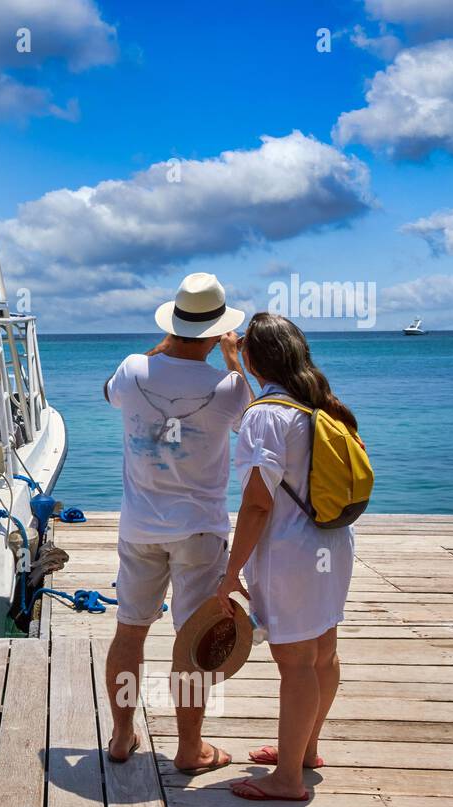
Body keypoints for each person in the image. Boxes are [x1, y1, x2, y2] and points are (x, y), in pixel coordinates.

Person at [104, 273, 251, 774]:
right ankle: (190, 749)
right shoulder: (229, 387)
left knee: (130, 633)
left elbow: (110, 391)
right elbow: (253, 423)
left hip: (140, 527)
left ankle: (122, 736)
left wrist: (165, 345)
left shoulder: (131, 369)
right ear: (218, 332)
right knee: (192, 639)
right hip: (201, 530)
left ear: (173, 325)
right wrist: (233, 362)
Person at [216, 311, 357, 801]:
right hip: (332, 542)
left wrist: (230, 573)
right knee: (323, 652)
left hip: (291, 554)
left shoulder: (264, 416)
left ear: (258, 359)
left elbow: (257, 503)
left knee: (294, 664)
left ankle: (288, 780)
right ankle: (306, 749)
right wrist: (236, 361)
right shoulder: (318, 404)